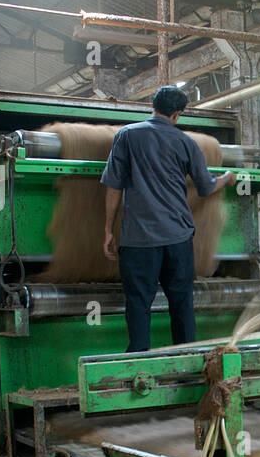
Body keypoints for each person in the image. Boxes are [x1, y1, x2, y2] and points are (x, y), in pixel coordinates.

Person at [100, 85, 235, 352]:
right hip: (177, 239)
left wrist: (108, 230)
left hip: (138, 241)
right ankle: (186, 361)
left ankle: (139, 364)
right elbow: (206, 187)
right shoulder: (187, 143)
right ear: (177, 114)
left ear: (153, 106)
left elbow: (114, 187)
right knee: (181, 303)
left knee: (138, 304)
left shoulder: (126, 136)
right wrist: (227, 178)